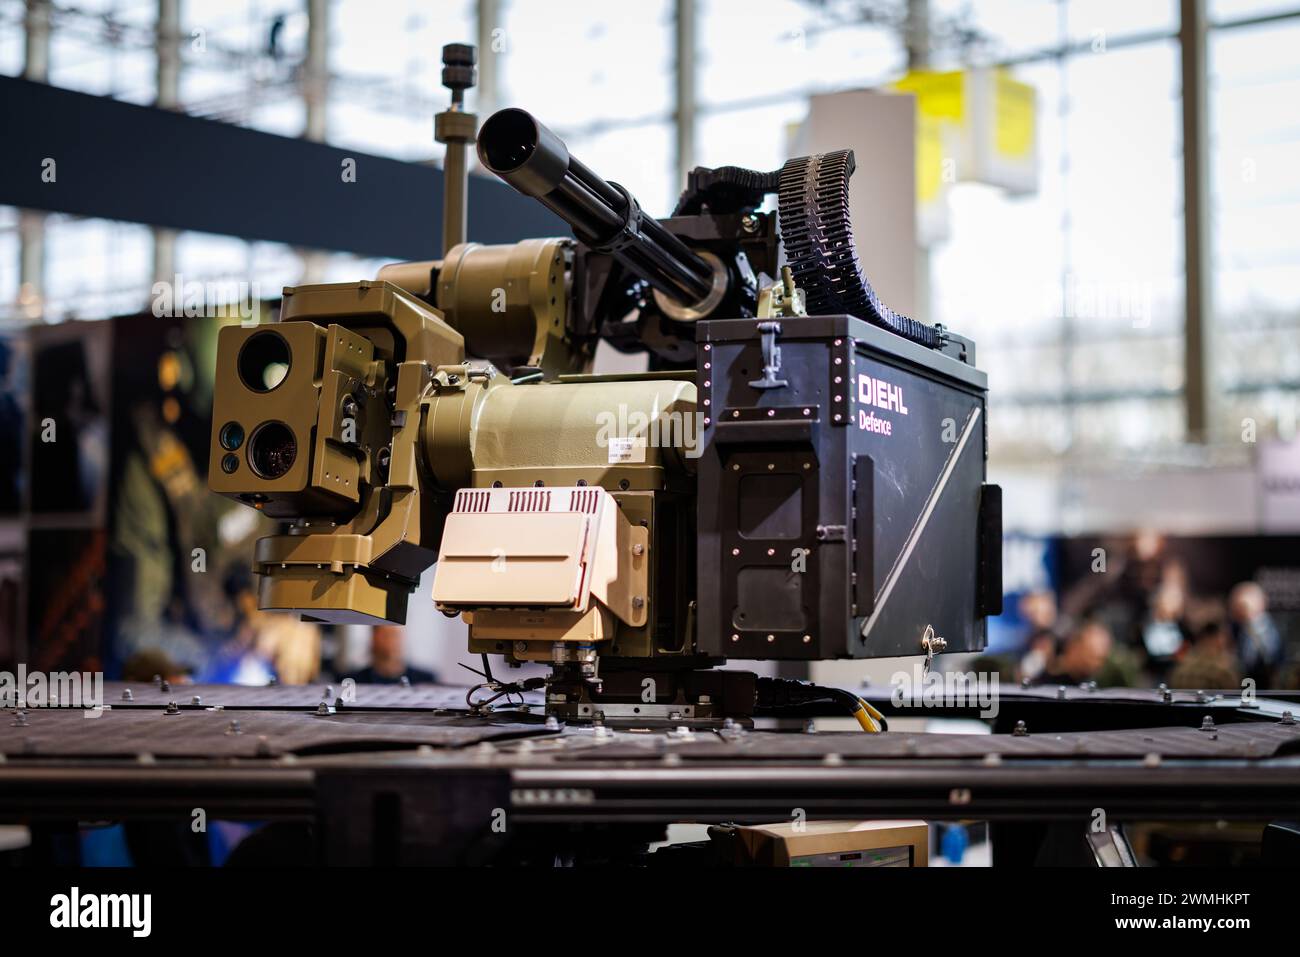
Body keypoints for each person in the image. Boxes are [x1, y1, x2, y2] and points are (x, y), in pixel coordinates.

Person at [1228, 582, 1283, 684]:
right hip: (1242, 683)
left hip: (1266, 684)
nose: (1237, 610)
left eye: (1242, 606)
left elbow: (1272, 657)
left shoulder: (1273, 628)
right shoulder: (1235, 627)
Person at [343, 625, 436, 685]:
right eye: (386, 636)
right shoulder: (351, 682)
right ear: (373, 639)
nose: (392, 642)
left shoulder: (426, 681)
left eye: (395, 635)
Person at [1038, 620, 1113, 685]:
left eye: (1101, 659)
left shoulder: (1094, 684)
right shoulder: (1043, 672)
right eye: (1091, 656)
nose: (1096, 665)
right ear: (1074, 648)